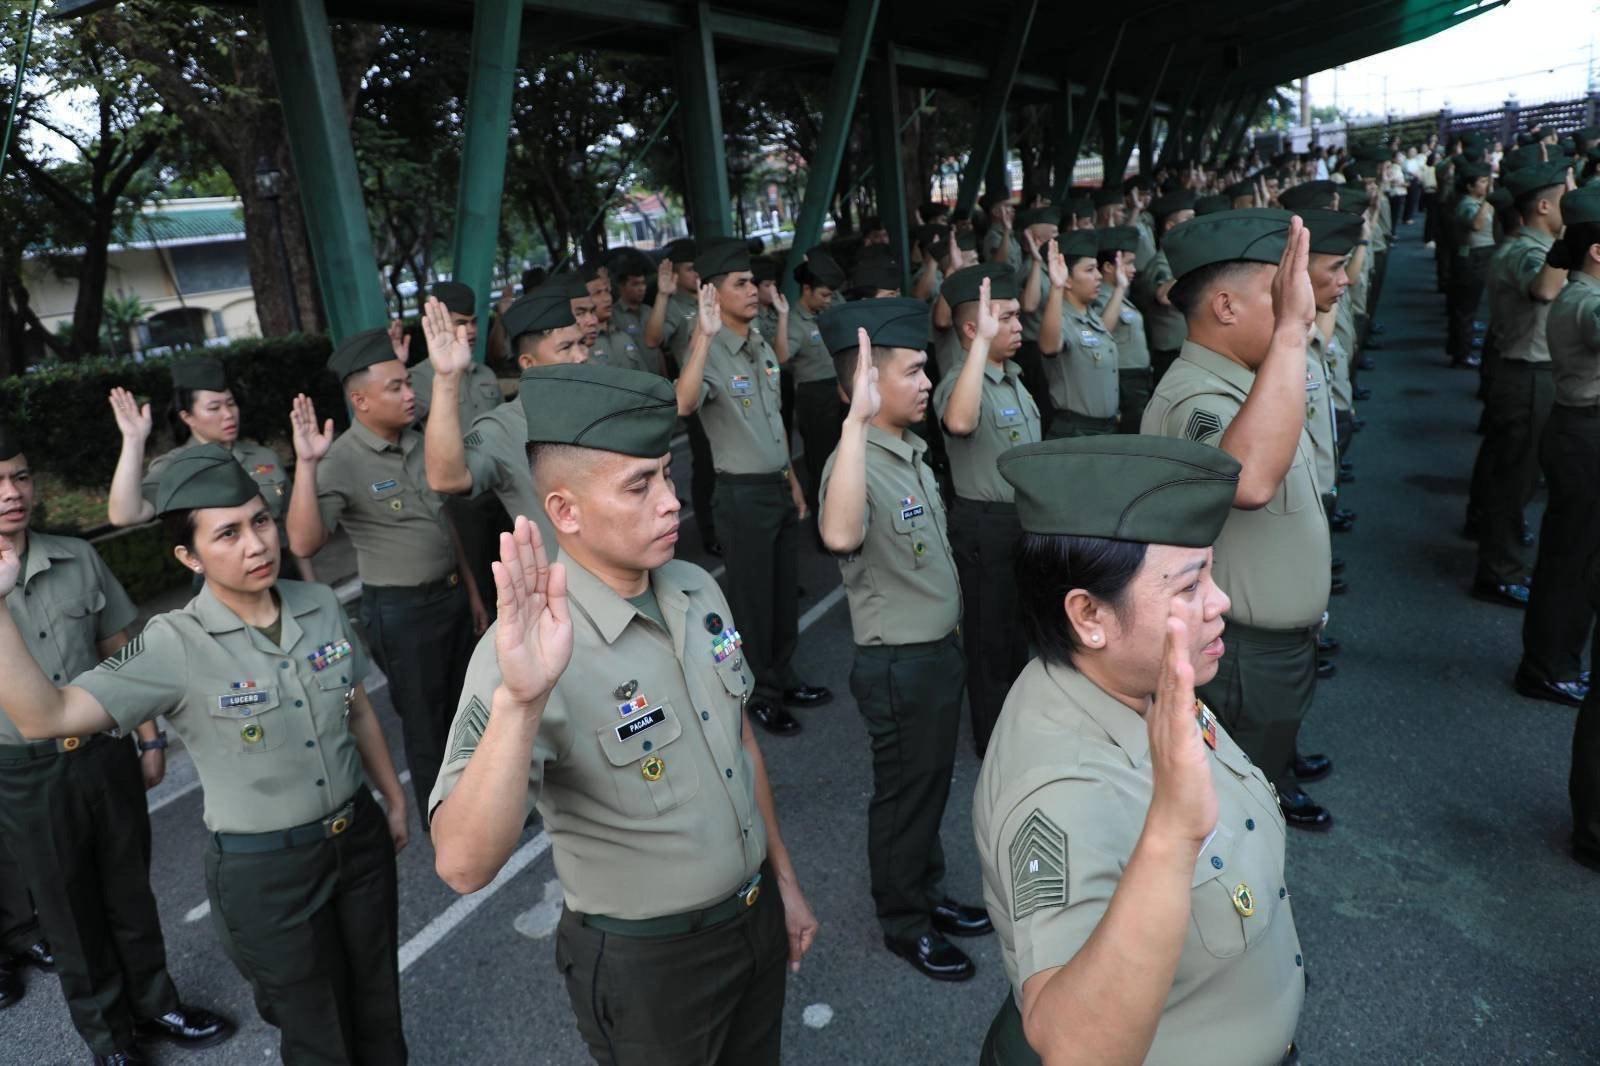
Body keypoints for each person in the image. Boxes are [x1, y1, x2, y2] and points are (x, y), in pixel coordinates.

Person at [429, 363, 819, 1065]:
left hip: (753, 919)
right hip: (653, 970)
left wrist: (782, 881)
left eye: (668, 477)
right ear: (565, 512)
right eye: (640, 487)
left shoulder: (696, 588)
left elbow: (738, 741)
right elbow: (461, 865)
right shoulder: (525, 650)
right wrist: (520, 703)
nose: (671, 503)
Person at [0, 444, 410, 1065]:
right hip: (269, 874)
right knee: (317, 1031)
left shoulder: (319, 605)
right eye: (229, 534)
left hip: (359, 842)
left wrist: (394, 798)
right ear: (189, 556)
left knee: (379, 1006)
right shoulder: (173, 643)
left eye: (260, 522)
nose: (256, 544)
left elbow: (355, 708)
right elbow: (45, 716)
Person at [972, 434, 1304, 1066]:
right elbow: (1074, 1047)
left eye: (1211, 570)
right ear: (1089, 615)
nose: (1220, 601)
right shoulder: (1066, 787)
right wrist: (1172, 837)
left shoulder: (1143, 682)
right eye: (1189, 586)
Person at [0, 426, 233, 1065]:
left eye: (20, 476)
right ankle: (110, 1041)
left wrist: (149, 735)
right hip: (25, 773)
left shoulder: (76, 558)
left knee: (130, 890)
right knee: (69, 912)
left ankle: (156, 1005)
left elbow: (119, 649)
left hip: (103, 752)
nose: (10, 493)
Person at [1141, 209, 1335, 830]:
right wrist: (1292, 333)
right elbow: (1248, 482)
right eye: (1277, 293)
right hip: (1242, 656)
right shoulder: (1197, 398)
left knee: (1257, 801)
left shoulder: (1248, 385)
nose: (1292, 305)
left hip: (1272, 647)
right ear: (1225, 306)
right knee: (1230, 828)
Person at [817, 298, 992, 981]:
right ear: (866, 383)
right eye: (913, 372)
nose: (927, 383)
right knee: (904, 795)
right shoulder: (856, 462)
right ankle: (904, 922)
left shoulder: (909, 452)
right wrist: (855, 422)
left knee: (928, 787)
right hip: (900, 664)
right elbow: (838, 534)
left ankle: (929, 891)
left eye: (926, 371)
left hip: (934, 653)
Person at [286, 328, 483, 822]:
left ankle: (486, 808)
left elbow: (447, 526)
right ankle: (444, 820)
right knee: (427, 725)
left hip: (455, 597)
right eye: (395, 387)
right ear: (361, 401)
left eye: (408, 383)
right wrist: (307, 467)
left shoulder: (421, 442)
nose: (410, 392)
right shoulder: (342, 461)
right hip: (404, 614)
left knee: (474, 712)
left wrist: (475, 594)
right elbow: (305, 542)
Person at [674, 241, 831, 736]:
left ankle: (783, 677)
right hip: (740, 494)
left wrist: (794, 484)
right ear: (713, 295)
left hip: (776, 487)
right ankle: (756, 692)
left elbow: (773, 424)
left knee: (784, 593)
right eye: (740, 283)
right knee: (752, 602)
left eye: (751, 282)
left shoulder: (760, 343)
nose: (753, 291)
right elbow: (683, 403)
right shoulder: (711, 349)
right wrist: (702, 335)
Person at [934, 269, 1039, 757]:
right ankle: (995, 741)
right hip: (985, 526)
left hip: (1021, 521)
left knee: (1016, 635)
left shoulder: (1013, 379)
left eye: (1019, 314)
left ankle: (1018, 728)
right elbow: (959, 421)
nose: (1019, 324)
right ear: (973, 330)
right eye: (1006, 316)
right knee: (988, 639)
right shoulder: (960, 382)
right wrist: (978, 348)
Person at [107, 356, 315, 581]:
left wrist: (312, 584)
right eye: (214, 407)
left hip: (282, 572)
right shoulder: (176, 468)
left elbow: (294, 528)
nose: (228, 415)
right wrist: (133, 440)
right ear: (187, 417)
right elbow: (125, 515)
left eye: (231, 403)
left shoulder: (263, 456)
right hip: (224, 584)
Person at [422, 285, 590, 561]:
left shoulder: (604, 403)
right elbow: (445, 479)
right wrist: (447, 378)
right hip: (571, 594)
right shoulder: (503, 429)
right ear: (529, 362)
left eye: (581, 343)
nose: (581, 356)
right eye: (566, 347)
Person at [1474, 161, 1573, 611]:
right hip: (1526, 375)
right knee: (1514, 478)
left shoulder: (1537, 244)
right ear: (1544, 205)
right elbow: (1545, 291)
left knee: (1511, 470)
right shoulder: (1526, 251)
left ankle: (1497, 549)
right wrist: (1576, 235)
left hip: (1527, 373)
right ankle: (1500, 571)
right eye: (1566, 199)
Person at [1523, 182, 1599, 713]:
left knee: (1578, 555)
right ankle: (1548, 667)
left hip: (1582, 433)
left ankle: (1557, 659)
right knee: (1572, 560)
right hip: (1584, 436)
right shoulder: (1584, 300)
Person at [643, 240, 720, 554]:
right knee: (706, 467)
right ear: (675, 273)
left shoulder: (710, 297)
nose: (696, 274)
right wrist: (663, 294)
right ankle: (710, 531)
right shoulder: (674, 307)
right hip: (698, 396)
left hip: (726, 390)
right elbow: (652, 339)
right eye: (690, 269)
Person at [1043, 229, 1123, 438]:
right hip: (1077, 432)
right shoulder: (1062, 319)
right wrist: (1056, 287)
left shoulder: (1091, 317)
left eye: (1097, 269)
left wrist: (1121, 287)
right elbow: (1049, 346)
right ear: (1067, 279)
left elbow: (1105, 330)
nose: (1098, 276)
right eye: (1089, 270)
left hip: (1106, 428)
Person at [787, 248, 848, 516]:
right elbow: (781, 357)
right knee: (821, 463)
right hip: (813, 396)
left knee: (846, 459)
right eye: (823, 295)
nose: (828, 300)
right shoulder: (792, 322)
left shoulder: (832, 307)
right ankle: (823, 522)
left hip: (840, 389)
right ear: (807, 289)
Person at [1097, 226, 1154, 430]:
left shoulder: (1120, 297)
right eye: (1128, 263)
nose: (1133, 269)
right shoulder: (1102, 297)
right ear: (1108, 267)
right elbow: (1102, 330)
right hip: (1124, 378)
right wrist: (1120, 288)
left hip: (1138, 378)